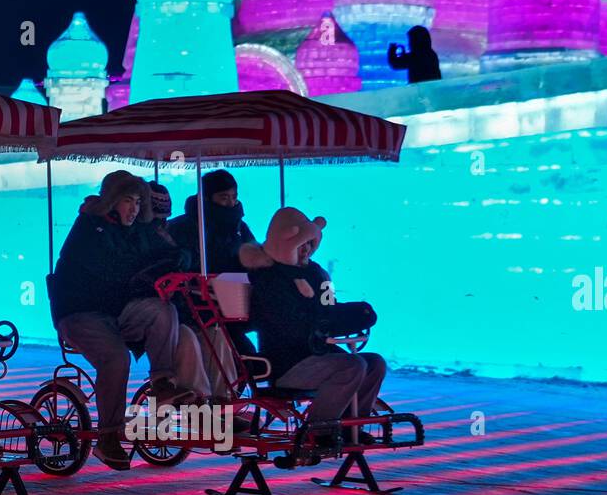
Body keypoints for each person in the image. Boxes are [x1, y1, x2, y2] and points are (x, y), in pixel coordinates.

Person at [49, 171, 194, 471]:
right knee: (116, 358)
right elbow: (113, 269)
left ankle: (163, 382)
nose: (135, 208)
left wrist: (178, 258)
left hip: (115, 314)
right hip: (80, 314)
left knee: (162, 310)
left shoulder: (136, 230)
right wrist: (151, 263)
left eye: (139, 202)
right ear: (113, 201)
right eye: (129, 200)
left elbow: (167, 252)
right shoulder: (90, 228)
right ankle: (108, 435)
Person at [241, 207, 386, 442]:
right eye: (302, 245)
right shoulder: (269, 279)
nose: (307, 250)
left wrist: (353, 316)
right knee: (352, 366)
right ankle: (319, 431)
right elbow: (288, 324)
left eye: (310, 244)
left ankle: (351, 426)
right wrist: (322, 325)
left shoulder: (318, 273)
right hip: (288, 363)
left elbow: (329, 306)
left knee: (375, 363)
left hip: (320, 354)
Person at [146, 180, 240, 405]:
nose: (162, 222)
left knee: (215, 334)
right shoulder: (167, 233)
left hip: (185, 305)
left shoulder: (167, 234)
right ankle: (198, 401)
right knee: (188, 337)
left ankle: (224, 400)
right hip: (159, 309)